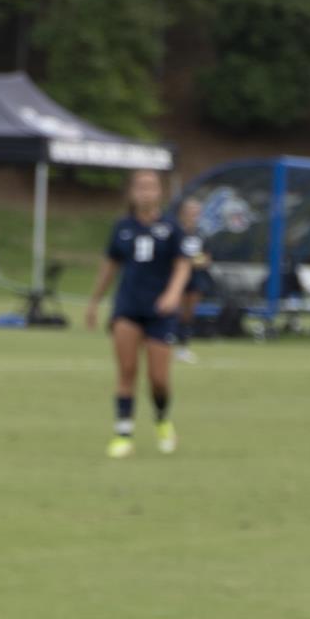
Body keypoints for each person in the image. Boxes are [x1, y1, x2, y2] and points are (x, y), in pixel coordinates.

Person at [83, 169, 195, 459]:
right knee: (127, 371)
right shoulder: (122, 227)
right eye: (140, 187)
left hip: (159, 311)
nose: (146, 192)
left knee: (158, 379)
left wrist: (172, 294)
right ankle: (123, 434)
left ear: (160, 192)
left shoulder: (171, 228)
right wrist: (94, 302)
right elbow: (110, 267)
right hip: (128, 308)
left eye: (151, 187)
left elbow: (183, 265)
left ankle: (161, 420)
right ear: (132, 193)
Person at [174, 196, 211, 364]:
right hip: (177, 277)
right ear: (183, 212)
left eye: (196, 212)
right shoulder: (176, 231)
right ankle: (167, 342)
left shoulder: (201, 234)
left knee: (189, 313)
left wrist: (197, 261)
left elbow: (206, 259)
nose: (193, 215)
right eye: (190, 211)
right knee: (175, 311)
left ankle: (183, 347)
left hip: (195, 277)